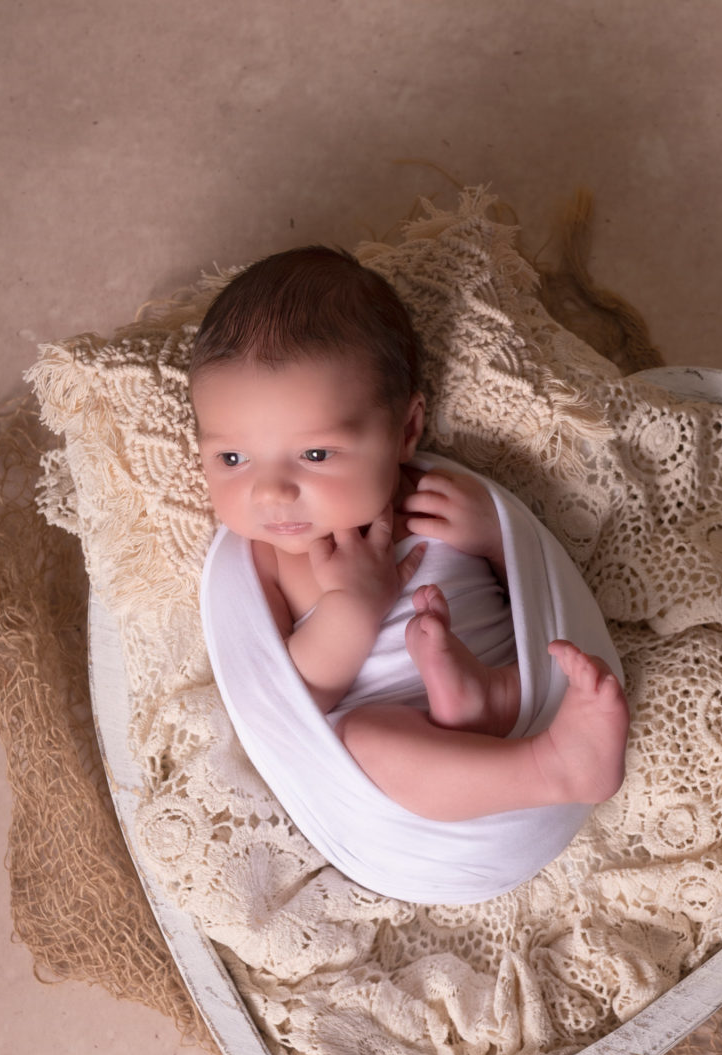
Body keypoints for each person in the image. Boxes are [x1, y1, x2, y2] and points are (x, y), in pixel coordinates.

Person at [190, 246, 629, 824]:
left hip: (521, 698)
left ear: (407, 430)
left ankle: (484, 703)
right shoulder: (264, 562)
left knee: (557, 661)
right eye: (232, 456)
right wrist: (352, 607)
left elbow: (536, 591)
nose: (270, 493)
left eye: (315, 453)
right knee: (367, 738)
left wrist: (496, 539)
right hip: (421, 779)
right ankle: (549, 770)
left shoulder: (433, 496)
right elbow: (289, 700)